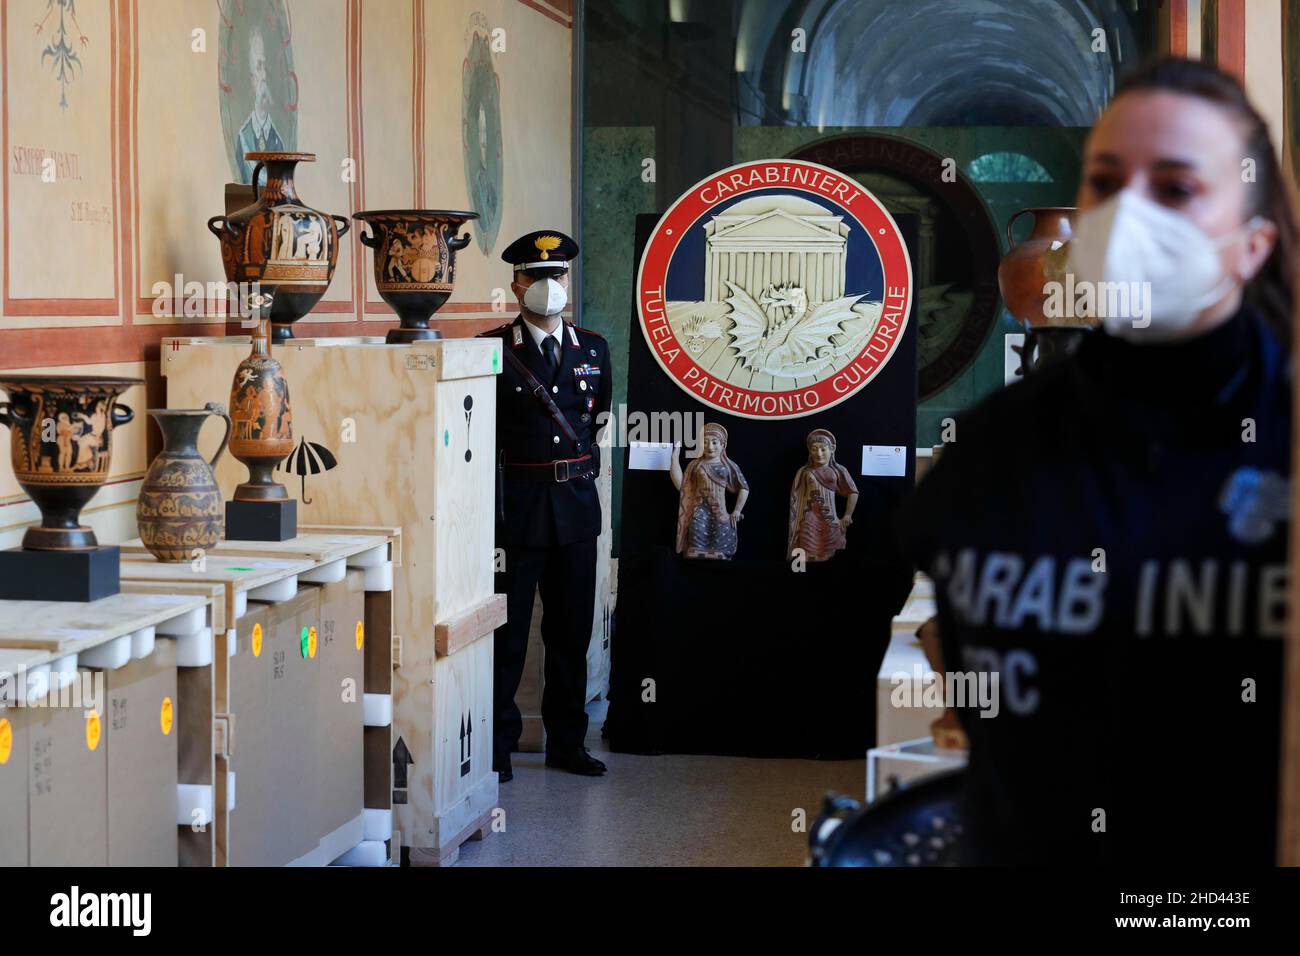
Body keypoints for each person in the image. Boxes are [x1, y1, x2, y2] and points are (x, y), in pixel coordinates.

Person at [900, 56, 1296, 865]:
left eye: (1178, 188)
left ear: (1252, 244)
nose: (1131, 216)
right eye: (1107, 181)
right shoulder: (995, 447)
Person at [480, 230, 612, 781]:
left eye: (557, 276)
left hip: (577, 512)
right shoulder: (491, 349)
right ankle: (498, 748)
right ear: (516, 284)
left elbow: (597, 421)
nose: (549, 286)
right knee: (507, 639)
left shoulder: (594, 348)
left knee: (571, 634)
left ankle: (567, 743)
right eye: (536, 277)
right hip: (518, 514)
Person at [668, 422, 749, 559]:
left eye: (714, 442)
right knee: (696, 539)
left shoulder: (728, 466)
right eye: (705, 442)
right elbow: (682, 487)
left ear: (723, 445)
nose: (710, 447)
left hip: (720, 512)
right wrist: (674, 458)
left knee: (721, 538)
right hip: (699, 511)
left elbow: (744, 487)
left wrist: (737, 510)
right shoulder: (695, 465)